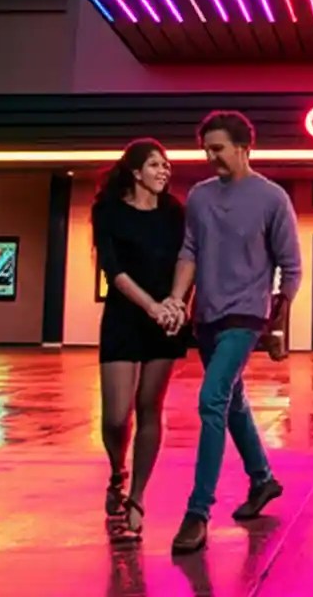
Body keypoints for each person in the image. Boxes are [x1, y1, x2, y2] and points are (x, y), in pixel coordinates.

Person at [162, 110, 302, 554]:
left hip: (246, 315)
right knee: (233, 402)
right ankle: (262, 480)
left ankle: (198, 512)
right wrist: (177, 300)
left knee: (212, 400)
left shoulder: (272, 198)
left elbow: (291, 266)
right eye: (206, 150)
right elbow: (189, 250)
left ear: (244, 148)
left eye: (218, 149)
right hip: (207, 316)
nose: (210, 157)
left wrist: (278, 321)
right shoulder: (200, 197)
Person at [92, 138, 188, 544]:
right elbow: (112, 269)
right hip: (125, 316)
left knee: (150, 407)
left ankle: (137, 498)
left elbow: (189, 258)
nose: (164, 171)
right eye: (155, 165)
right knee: (117, 415)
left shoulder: (173, 213)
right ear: (135, 171)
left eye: (166, 165)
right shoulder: (109, 210)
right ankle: (118, 471)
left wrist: (177, 304)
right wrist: (150, 305)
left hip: (165, 320)